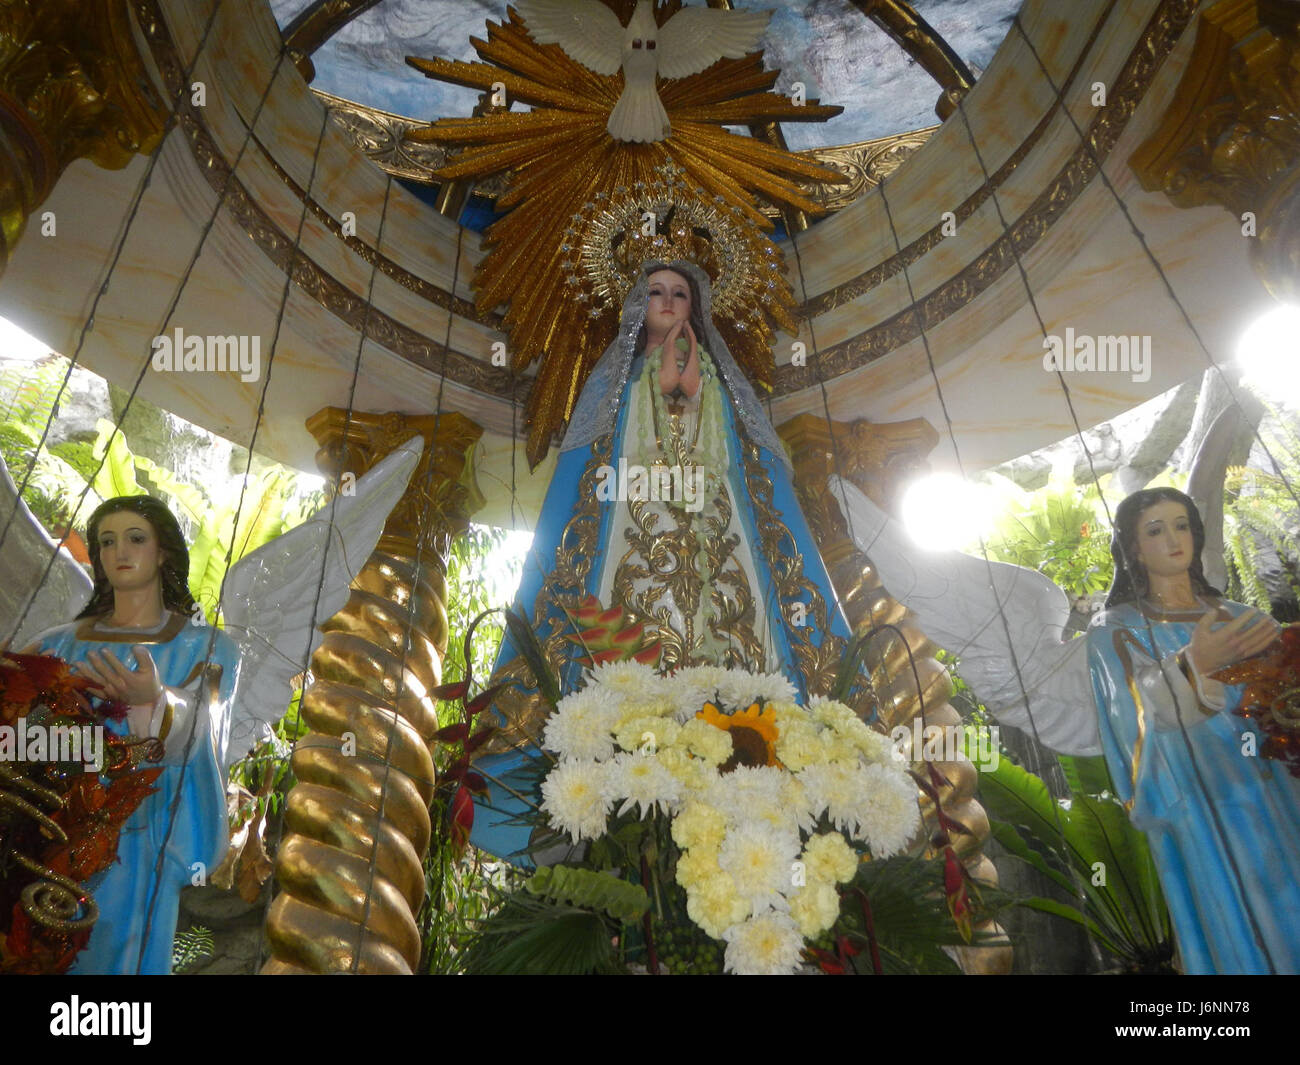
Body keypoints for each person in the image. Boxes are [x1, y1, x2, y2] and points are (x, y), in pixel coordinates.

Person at [472, 259, 854, 860]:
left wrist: (696, 389)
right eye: (656, 292)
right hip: (634, 530)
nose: (669, 302)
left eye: (680, 293)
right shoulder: (614, 388)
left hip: (717, 540)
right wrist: (655, 386)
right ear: (636, 305)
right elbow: (598, 465)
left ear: (697, 306)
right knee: (624, 650)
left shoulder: (720, 385)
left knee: (742, 645)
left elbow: (741, 462)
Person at [1087, 486, 1300, 973]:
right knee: (1245, 922)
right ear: (1134, 548)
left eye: (1181, 525)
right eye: (1155, 530)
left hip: (1277, 791)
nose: (1173, 539)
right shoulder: (1116, 631)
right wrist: (1192, 665)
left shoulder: (1244, 619)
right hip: (1210, 804)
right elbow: (1130, 721)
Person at [30, 495, 240, 974]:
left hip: (138, 833)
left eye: (135, 538)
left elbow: (206, 723)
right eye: (107, 542)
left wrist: (157, 701)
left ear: (163, 552)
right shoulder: (56, 642)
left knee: (116, 954)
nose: (119, 552)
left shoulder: (206, 645)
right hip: (51, 823)